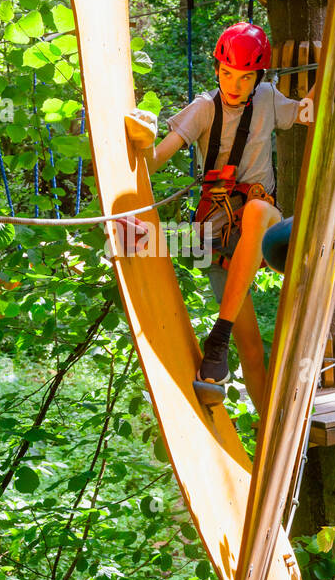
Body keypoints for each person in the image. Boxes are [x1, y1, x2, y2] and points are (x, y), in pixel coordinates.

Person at [125, 22, 313, 413]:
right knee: (251, 348)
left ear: (258, 77)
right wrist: (141, 142)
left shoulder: (268, 100)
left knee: (260, 208)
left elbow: (309, 113)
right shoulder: (203, 108)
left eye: (245, 77)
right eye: (227, 74)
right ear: (216, 71)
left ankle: (218, 335)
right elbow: (156, 160)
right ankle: (263, 431)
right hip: (217, 234)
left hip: (259, 219)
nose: (235, 85)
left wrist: (330, 60)